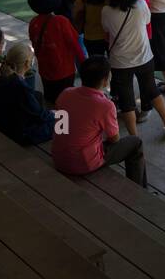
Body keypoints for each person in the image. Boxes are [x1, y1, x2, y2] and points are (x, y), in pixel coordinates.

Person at [52, 57, 148, 187]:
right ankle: (139, 188)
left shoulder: (65, 93)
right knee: (136, 143)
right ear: (104, 81)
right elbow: (115, 139)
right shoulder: (105, 106)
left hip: (59, 158)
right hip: (83, 163)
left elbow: (60, 129)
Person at [102, 0, 165, 138]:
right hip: (144, 57)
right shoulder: (141, 5)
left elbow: (106, 31)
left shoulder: (107, 11)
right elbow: (146, 22)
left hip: (120, 61)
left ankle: (134, 139)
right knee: (152, 90)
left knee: (127, 101)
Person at [28, 0, 85, 105]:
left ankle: (55, 120)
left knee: (51, 99)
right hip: (64, 71)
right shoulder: (61, 21)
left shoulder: (33, 22)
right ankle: (63, 122)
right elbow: (76, 46)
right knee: (65, 101)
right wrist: (84, 63)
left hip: (45, 69)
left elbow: (34, 43)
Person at [0, 42, 54, 146]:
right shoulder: (19, 86)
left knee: (39, 97)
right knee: (64, 121)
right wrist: (55, 114)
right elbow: (39, 115)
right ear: (27, 63)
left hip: (3, 126)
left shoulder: (1, 79)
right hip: (19, 135)